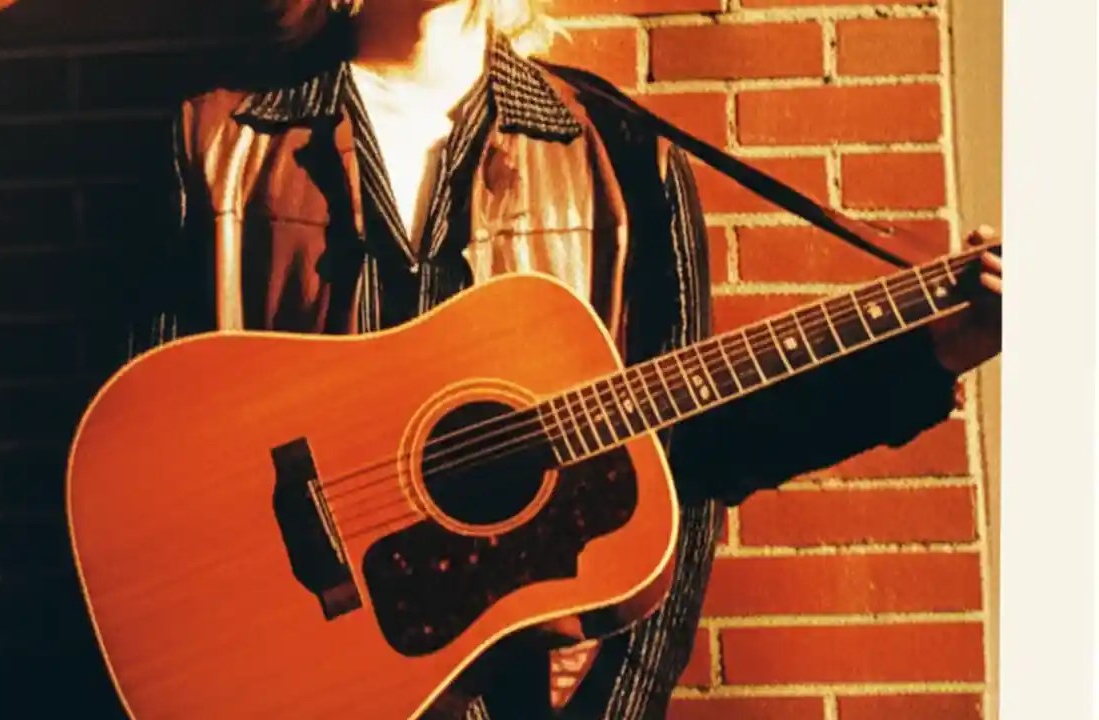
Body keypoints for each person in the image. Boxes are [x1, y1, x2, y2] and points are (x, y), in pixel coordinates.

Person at [120, 0, 1003, 717]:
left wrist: (928, 355)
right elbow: (143, 467)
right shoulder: (218, 148)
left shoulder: (625, 159)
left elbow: (690, 459)